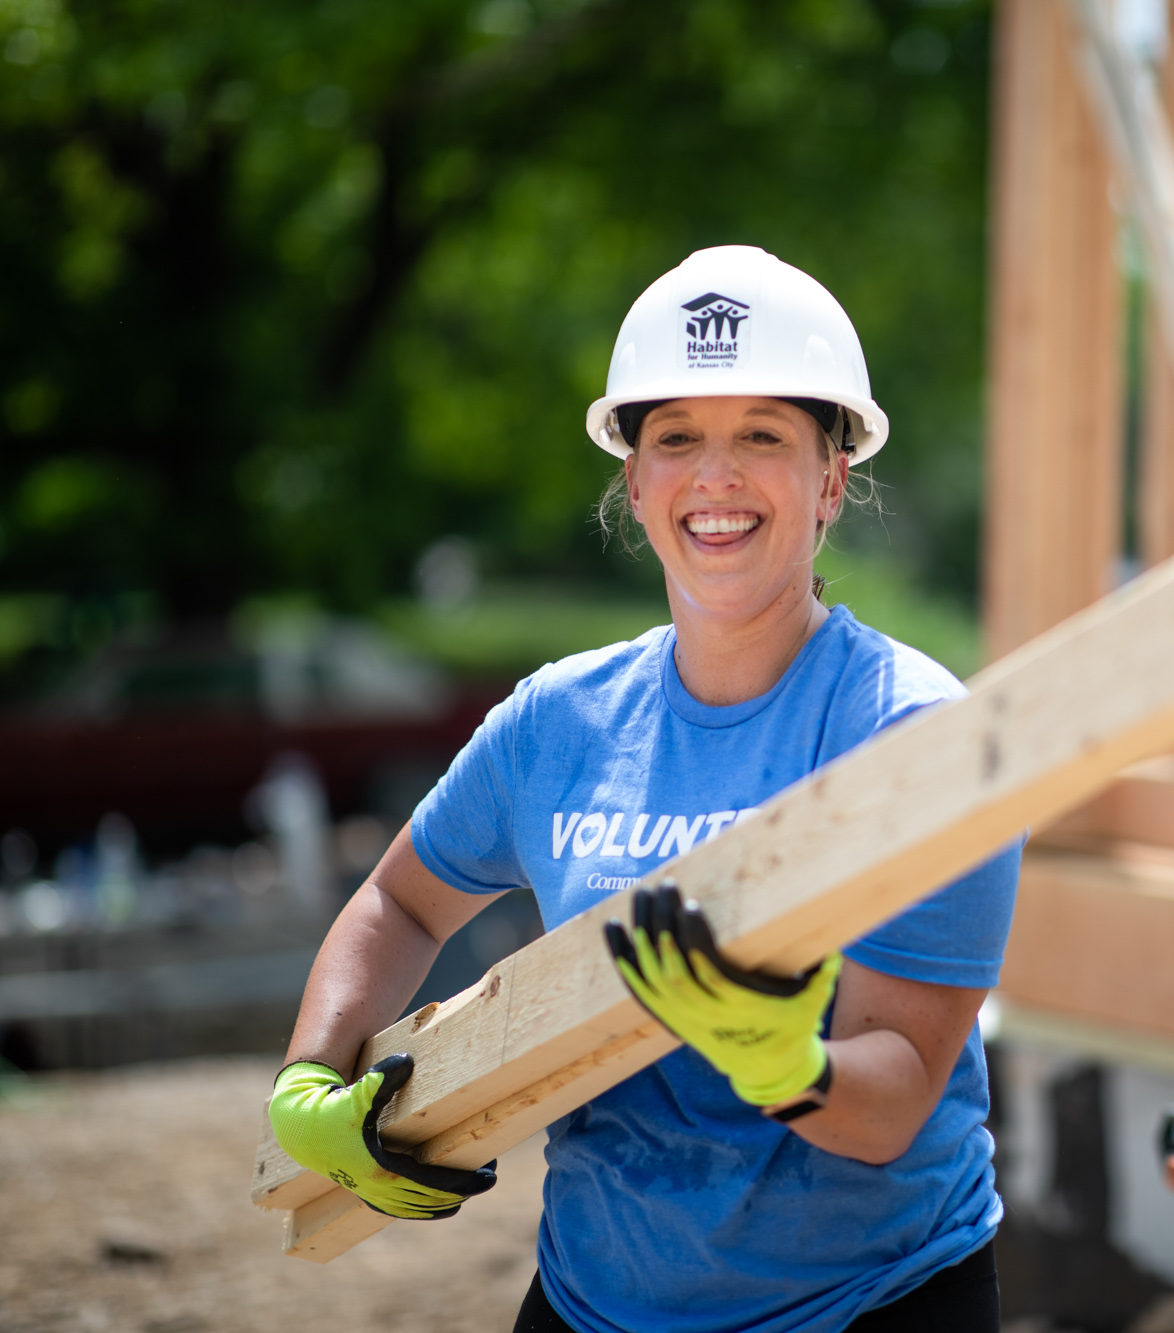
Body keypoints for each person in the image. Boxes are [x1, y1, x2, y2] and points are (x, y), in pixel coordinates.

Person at [267, 246, 1021, 1333]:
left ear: (830, 478)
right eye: (676, 438)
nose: (714, 475)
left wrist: (785, 1063)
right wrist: (310, 1074)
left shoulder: (910, 735)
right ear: (633, 477)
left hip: (866, 1300)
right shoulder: (556, 724)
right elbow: (401, 902)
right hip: (597, 1296)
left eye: (762, 434)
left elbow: (891, 1100)